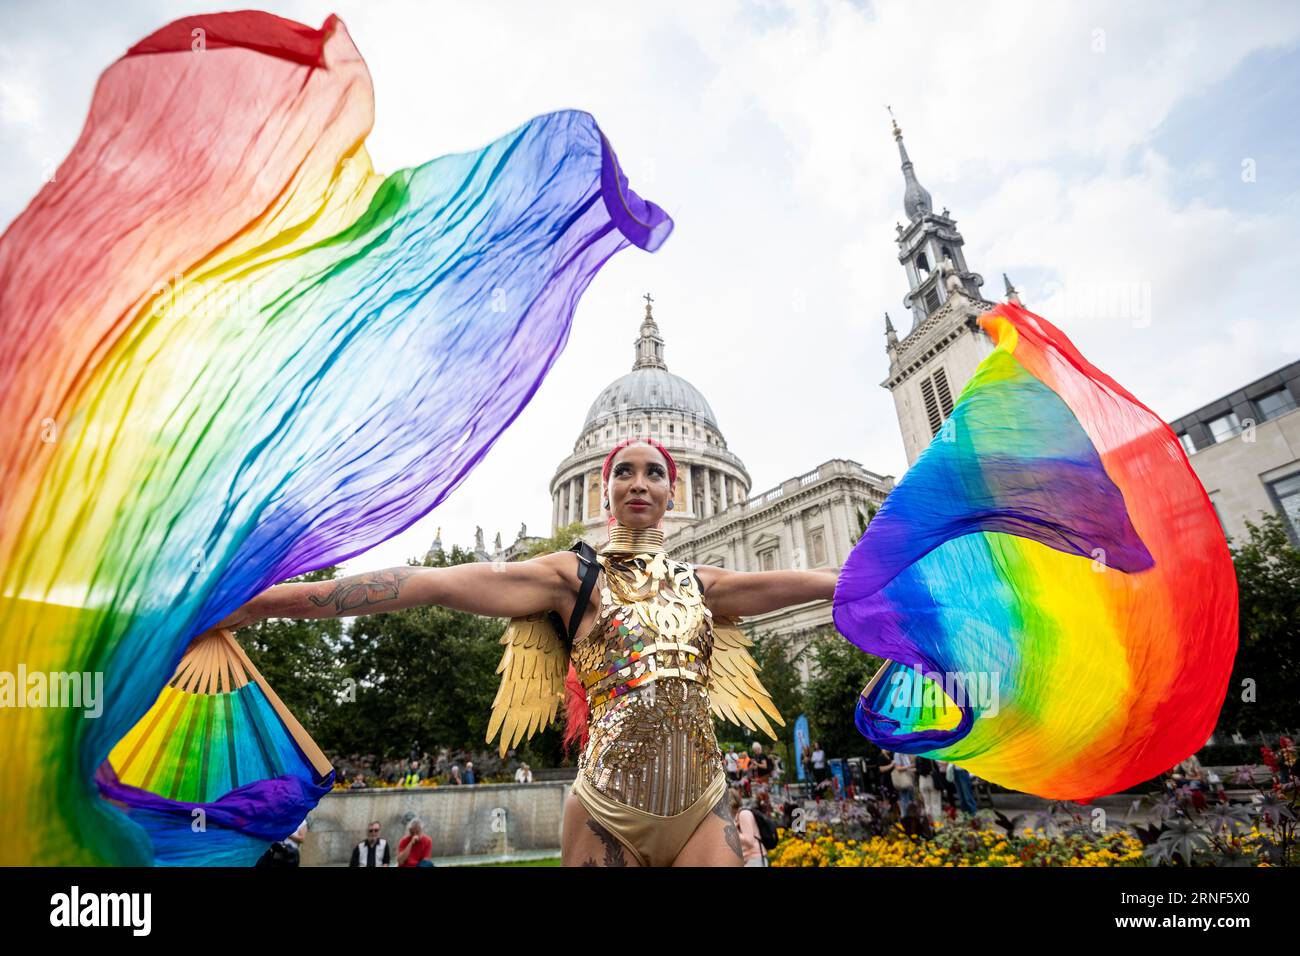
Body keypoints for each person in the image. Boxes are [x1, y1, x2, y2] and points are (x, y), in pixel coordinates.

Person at [214, 437, 837, 867]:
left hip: (703, 801)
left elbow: (837, 583)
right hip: (607, 809)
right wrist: (265, 602)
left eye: (655, 473)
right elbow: (424, 583)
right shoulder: (573, 576)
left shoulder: (706, 584)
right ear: (603, 493)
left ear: (675, 494)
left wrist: (924, 563)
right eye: (625, 471)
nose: (640, 482)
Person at [728, 788, 768, 867]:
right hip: (749, 859)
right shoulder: (735, 817)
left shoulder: (744, 814)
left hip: (755, 858)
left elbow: (749, 841)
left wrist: (733, 832)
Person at [880, 750, 917, 818]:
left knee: (911, 800)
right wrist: (909, 767)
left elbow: (908, 766)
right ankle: (906, 818)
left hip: (909, 779)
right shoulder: (897, 754)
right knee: (905, 801)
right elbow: (898, 768)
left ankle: (912, 818)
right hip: (902, 780)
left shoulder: (905, 754)